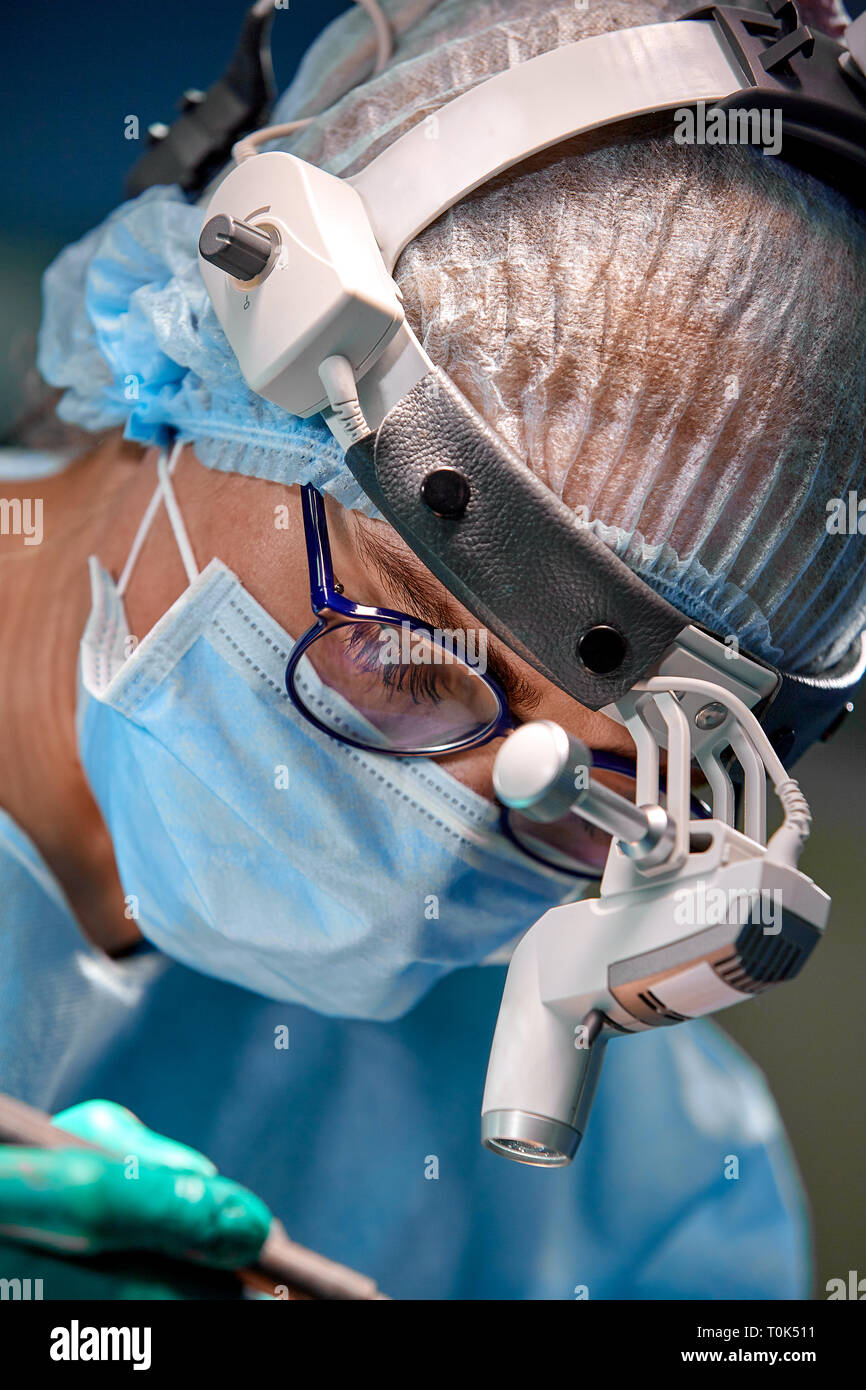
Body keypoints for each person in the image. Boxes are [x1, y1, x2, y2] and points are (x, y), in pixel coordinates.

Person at [0, 0, 863, 1299]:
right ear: (208, 361)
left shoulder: (639, 1180)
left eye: (604, 789)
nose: (447, 831)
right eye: (408, 654)